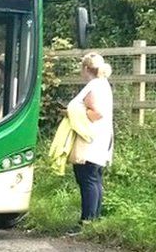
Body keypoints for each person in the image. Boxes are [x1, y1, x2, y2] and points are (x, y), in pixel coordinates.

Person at [68, 52, 114, 228]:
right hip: (101, 138)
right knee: (95, 178)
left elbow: (95, 113)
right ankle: (94, 218)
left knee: (87, 179)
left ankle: (86, 220)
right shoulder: (103, 84)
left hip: (90, 139)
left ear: (86, 68)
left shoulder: (93, 86)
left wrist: (71, 113)